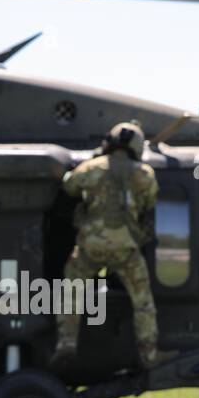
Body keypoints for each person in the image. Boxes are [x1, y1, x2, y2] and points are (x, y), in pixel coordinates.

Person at [52, 121, 177, 371]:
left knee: (71, 291)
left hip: (90, 246)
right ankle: (149, 354)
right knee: (143, 302)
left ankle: (66, 343)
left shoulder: (91, 168)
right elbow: (149, 201)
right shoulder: (144, 174)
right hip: (126, 249)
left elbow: (68, 186)